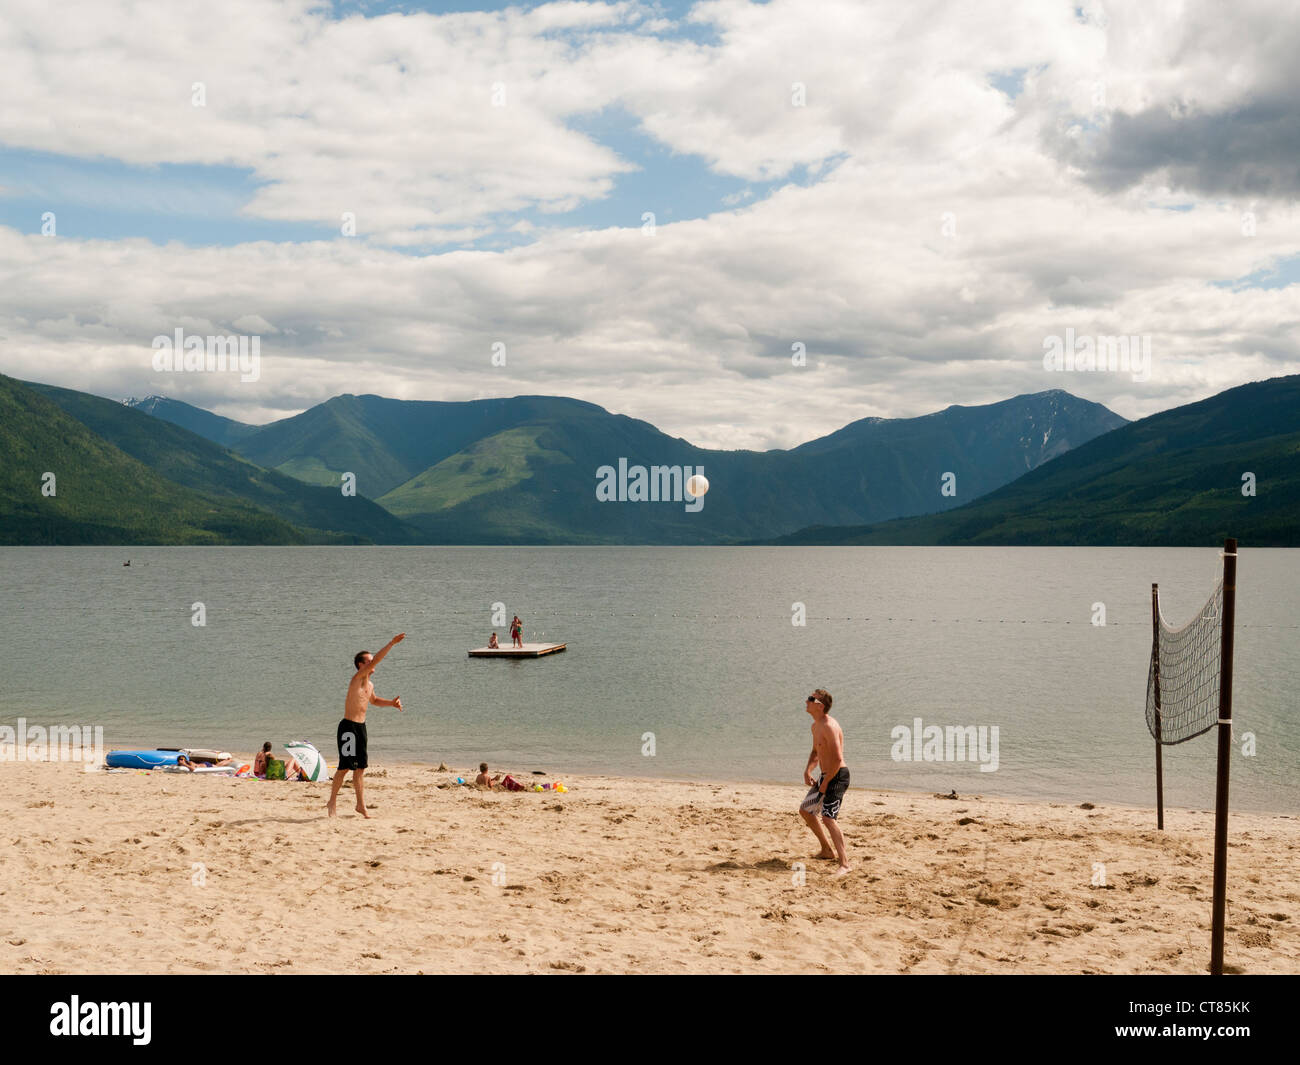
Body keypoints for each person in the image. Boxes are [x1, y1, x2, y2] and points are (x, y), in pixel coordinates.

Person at [327, 634, 405, 818]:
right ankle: (332, 800)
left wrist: (391, 704)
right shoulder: (357, 679)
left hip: (361, 728)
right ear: (362, 666)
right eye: (369, 661)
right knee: (344, 768)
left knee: (360, 768)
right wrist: (391, 643)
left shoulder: (369, 684)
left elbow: (374, 700)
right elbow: (377, 659)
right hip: (348, 728)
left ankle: (360, 805)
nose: (373, 664)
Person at [799, 688, 851, 876]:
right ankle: (827, 851)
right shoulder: (815, 725)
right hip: (826, 775)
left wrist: (826, 781)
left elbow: (837, 759)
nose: (806, 700)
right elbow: (816, 751)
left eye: (810, 699)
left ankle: (845, 864)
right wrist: (808, 770)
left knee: (828, 818)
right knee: (806, 810)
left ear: (819, 705)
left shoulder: (830, 726)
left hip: (837, 776)